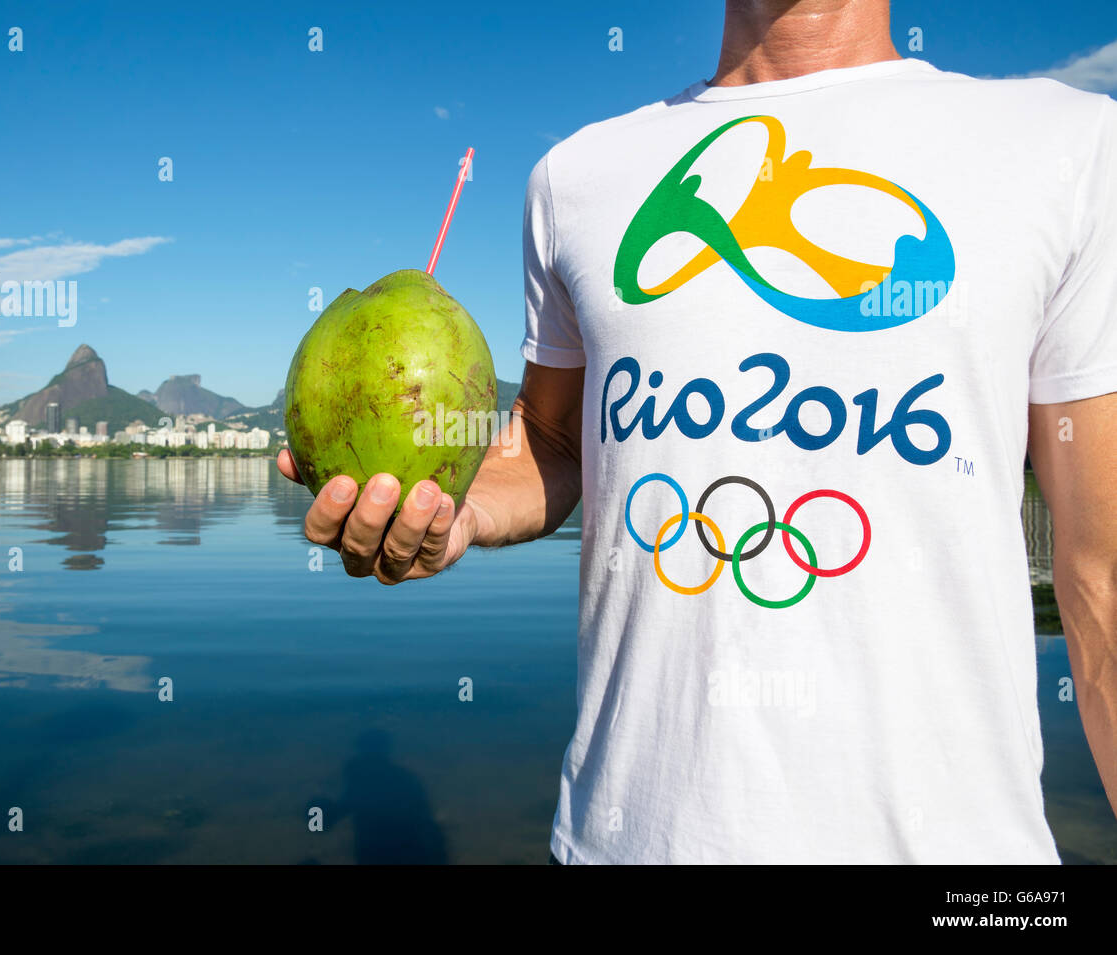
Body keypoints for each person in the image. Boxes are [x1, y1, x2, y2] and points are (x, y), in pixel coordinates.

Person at [278, 0, 1117, 863]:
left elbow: (1102, 581)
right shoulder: (578, 177)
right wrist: (455, 510)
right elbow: (554, 439)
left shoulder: (1067, 148)